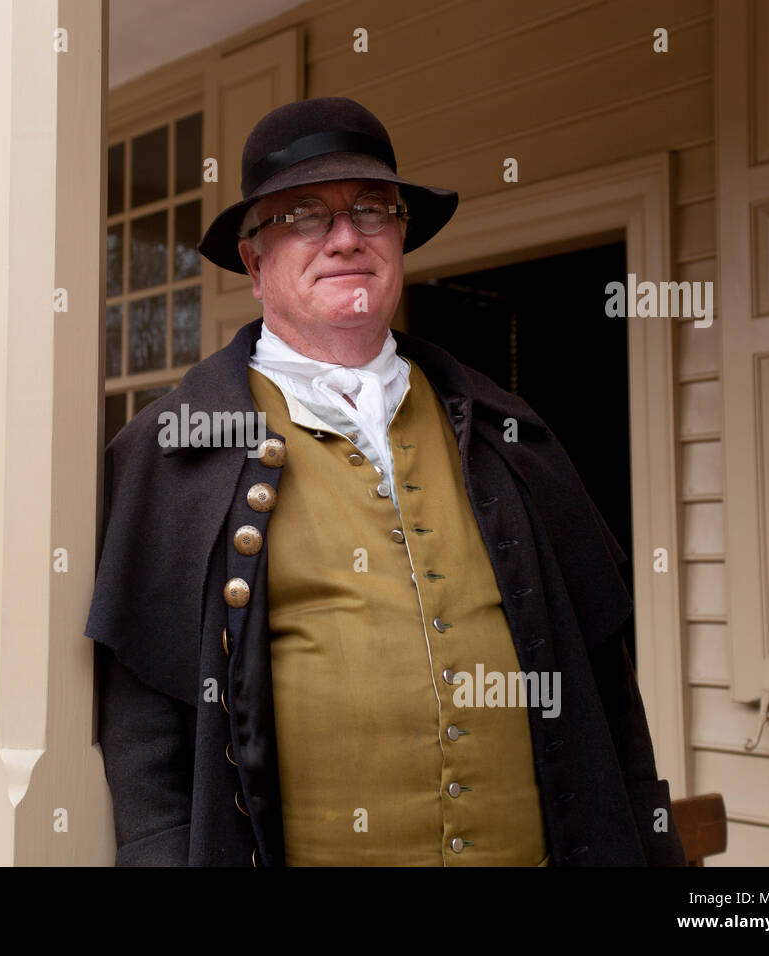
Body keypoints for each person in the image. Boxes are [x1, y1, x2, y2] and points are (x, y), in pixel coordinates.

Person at [85, 96, 685, 867]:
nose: (345, 237)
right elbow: (145, 739)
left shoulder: (510, 432)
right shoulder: (171, 449)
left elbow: (607, 689)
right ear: (254, 260)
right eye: (304, 215)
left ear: (401, 238)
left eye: (372, 210)